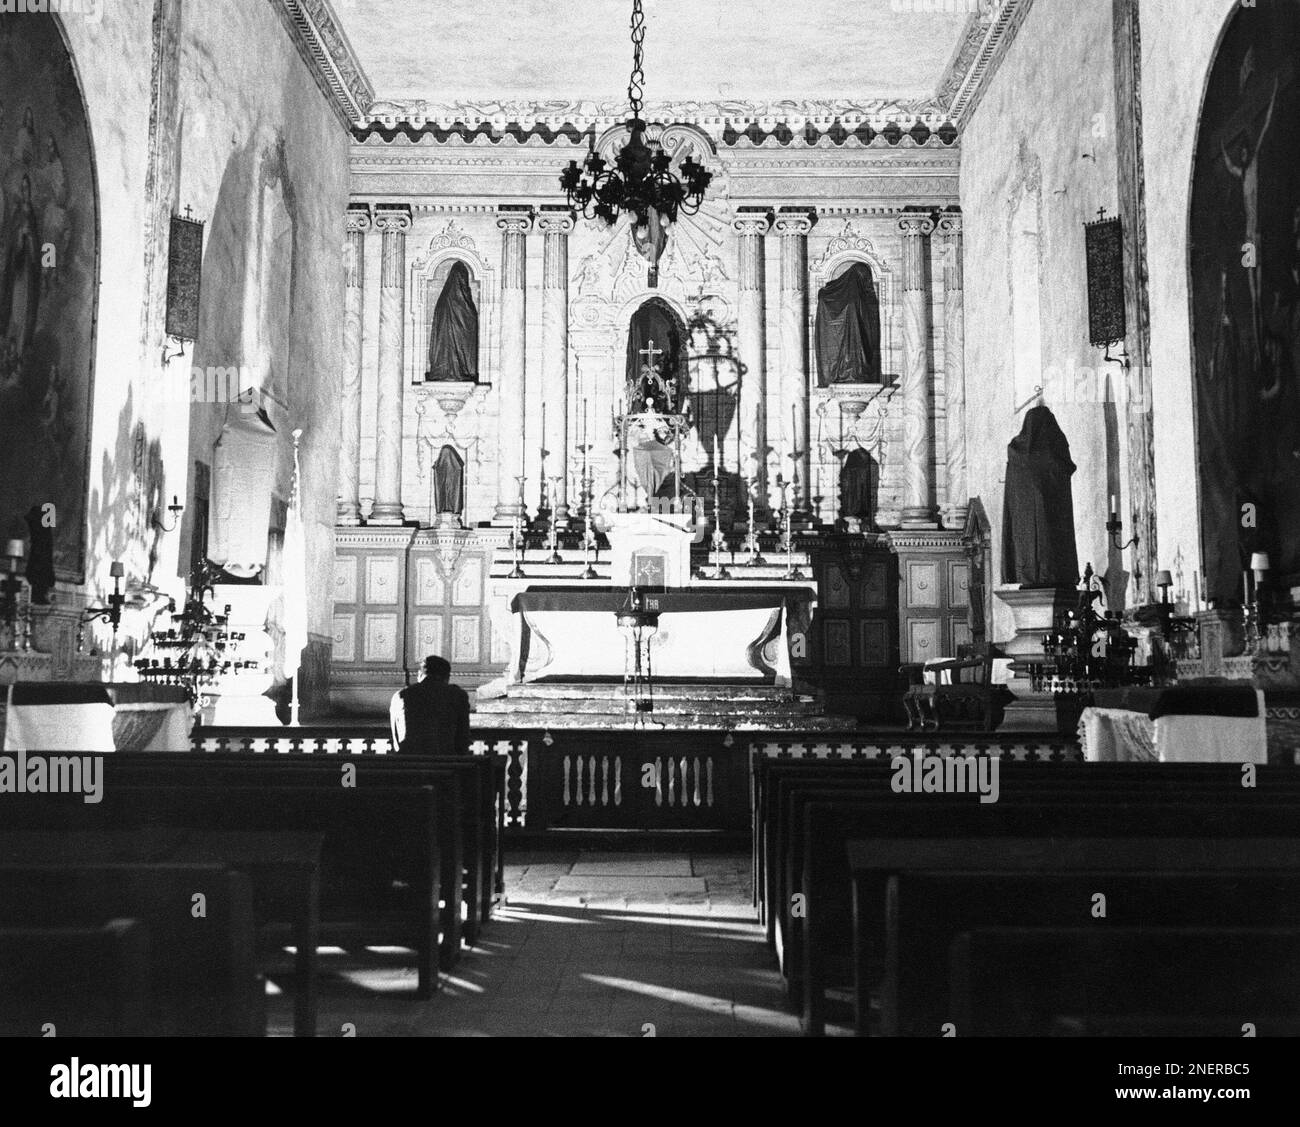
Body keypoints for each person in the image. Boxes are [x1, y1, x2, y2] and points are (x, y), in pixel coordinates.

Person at [390, 655, 471, 756]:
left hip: (409, 764)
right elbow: (463, 740)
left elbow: (396, 740)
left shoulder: (400, 696)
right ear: (447, 677)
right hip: (446, 764)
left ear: (420, 674)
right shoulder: (458, 695)